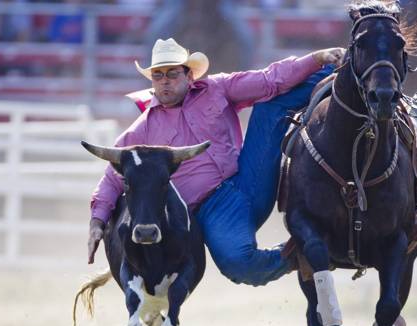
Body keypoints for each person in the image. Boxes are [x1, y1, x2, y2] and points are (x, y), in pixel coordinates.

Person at [88, 38, 344, 286]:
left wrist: (317, 59)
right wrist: (97, 221)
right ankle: (299, 256)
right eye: (158, 76)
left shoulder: (217, 88)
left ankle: (344, 76)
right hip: (210, 211)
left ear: (189, 77)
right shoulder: (142, 130)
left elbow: (269, 79)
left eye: (172, 74)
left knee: (269, 105)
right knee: (239, 264)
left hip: (247, 180)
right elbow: (112, 177)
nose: (165, 82)